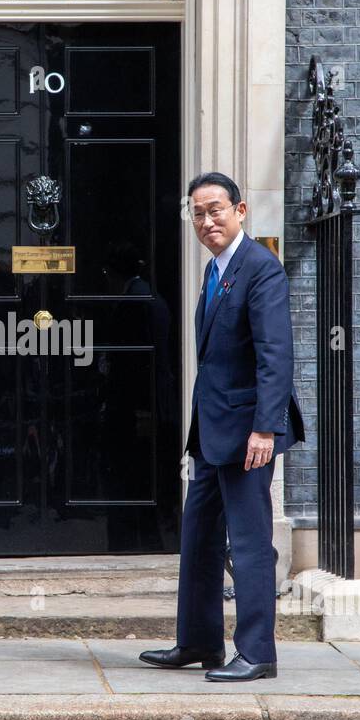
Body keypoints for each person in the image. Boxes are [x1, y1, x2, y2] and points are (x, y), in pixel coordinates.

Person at [140, 172, 305, 681]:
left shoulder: (261, 268)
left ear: (240, 211)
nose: (207, 220)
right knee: (199, 537)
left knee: (251, 542)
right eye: (198, 212)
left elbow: (275, 356)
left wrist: (265, 429)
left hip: (247, 435)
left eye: (216, 209)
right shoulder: (217, 271)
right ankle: (199, 642)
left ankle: (257, 653)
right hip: (211, 434)